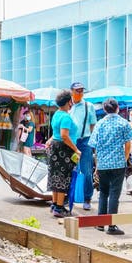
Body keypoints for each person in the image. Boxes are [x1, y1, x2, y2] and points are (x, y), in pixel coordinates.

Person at [88, 97, 132, 235]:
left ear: (104, 109)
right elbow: (128, 145)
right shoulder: (124, 123)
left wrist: (97, 165)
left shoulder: (100, 124)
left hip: (103, 164)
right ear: (118, 108)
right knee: (115, 194)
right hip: (118, 164)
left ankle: (100, 223)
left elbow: (94, 147)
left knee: (103, 193)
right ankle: (112, 226)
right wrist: (124, 159)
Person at [46, 90, 81, 218]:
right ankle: (59, 208)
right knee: (63, 177)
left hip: (55, 146)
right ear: (68, 102)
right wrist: (76, 149)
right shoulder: (66, 117)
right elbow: (64, 136)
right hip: (63, 149)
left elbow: (56, 133)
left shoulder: (57, 114)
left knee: (55, 176)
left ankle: (55, 204)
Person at [69, 82, 97, 211]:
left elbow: (93, 125)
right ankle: (69, 197)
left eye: (81, 91)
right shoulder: (68, 105)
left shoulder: (88, 106)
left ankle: (87, 198)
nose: (80, 93)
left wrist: (92, 141)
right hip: (70, 142)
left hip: (85, 141)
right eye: (77, 91)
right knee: (69, 170)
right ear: (71, 92)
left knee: (87, 171)